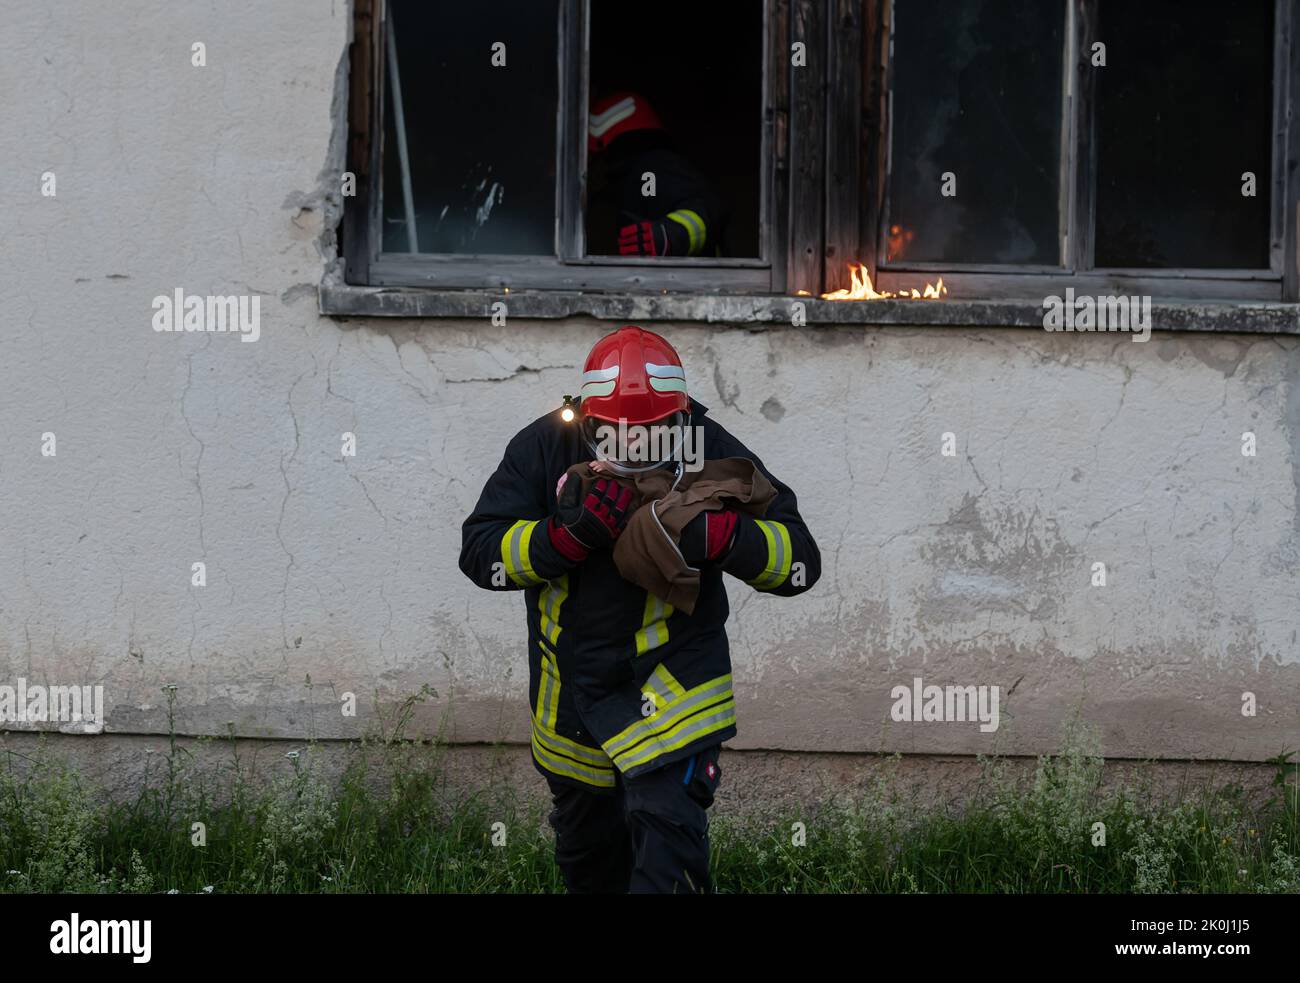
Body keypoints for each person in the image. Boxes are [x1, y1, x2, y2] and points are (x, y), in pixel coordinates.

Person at [459, 326, 820, 893]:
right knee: (591, 867)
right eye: (617, 433)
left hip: (675, 700)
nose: (635, 447)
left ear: (680, 418)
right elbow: (481, 555)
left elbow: (799, 563)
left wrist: (726, 536)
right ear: (586, 415)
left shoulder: (709, 443)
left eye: (654, 433)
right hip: (574, 710)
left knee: (667, 865)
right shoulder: (544, 446)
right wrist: (565, 538)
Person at [587, 91, 728, 257]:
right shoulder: (634, 180)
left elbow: (706, 206)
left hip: (681, 281)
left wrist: (669, 235)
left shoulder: (651, 167)